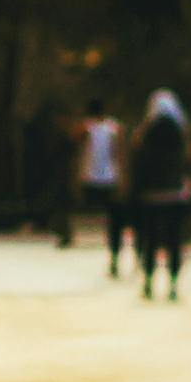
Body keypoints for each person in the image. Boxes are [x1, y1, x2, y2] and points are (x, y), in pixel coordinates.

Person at [127, 89, 191, 299]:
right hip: (175, 193)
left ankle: (148, 281)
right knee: (174, 241)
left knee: (150, 239)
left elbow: (139, 163)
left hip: (151, 195)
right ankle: (173, 283)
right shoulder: (182, 133)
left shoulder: (145, 133)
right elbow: (187, 163)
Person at [62, 95, 124, 273]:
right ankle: (114, 251)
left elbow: (72, 147)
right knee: (114, 216)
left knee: (73, 206)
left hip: (88, 176)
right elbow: (119, 153)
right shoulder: (114, 128)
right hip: (110, 177)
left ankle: (67, 234)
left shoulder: (84, 127)